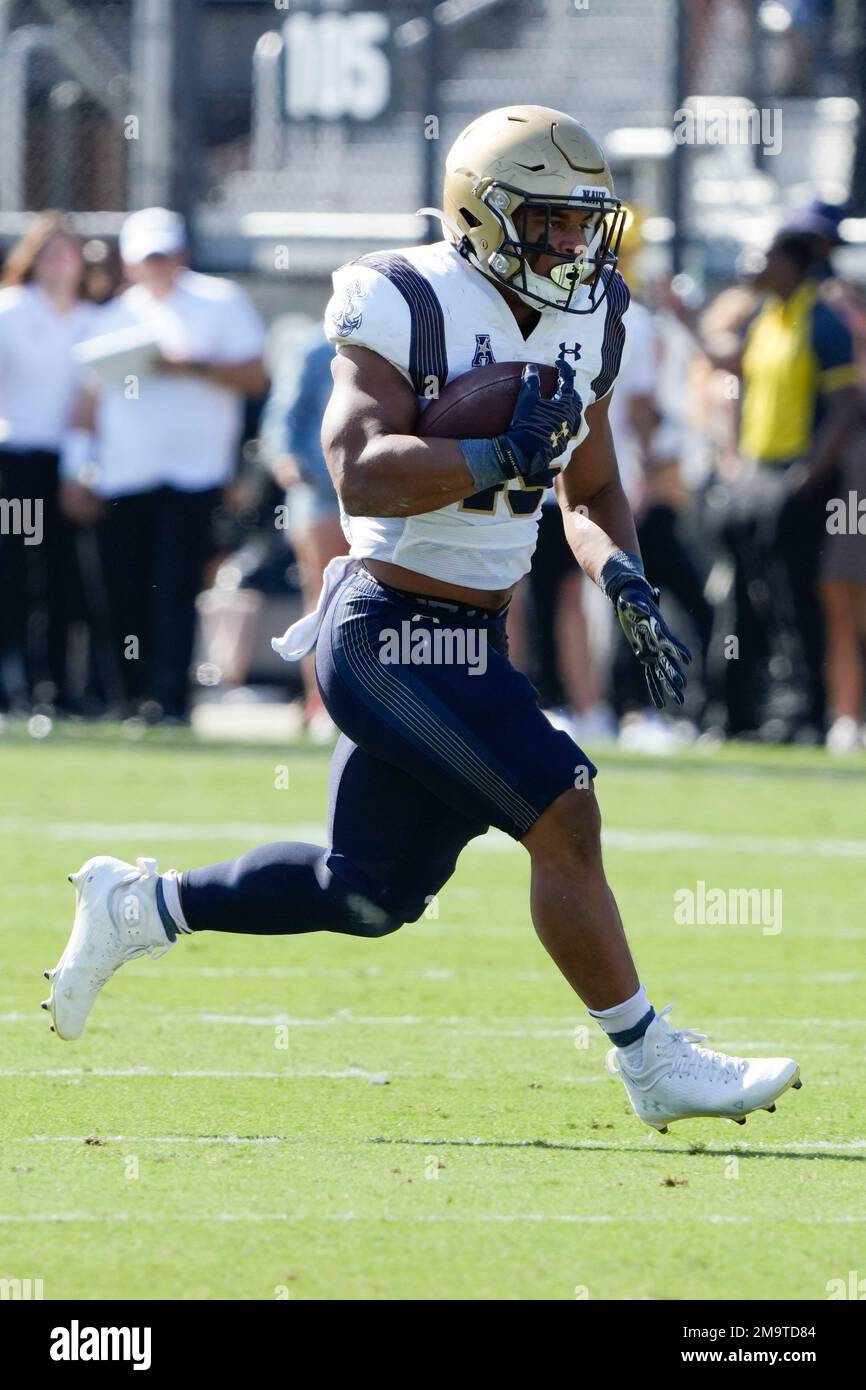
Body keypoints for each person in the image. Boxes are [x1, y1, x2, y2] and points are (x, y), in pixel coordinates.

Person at [44, 108, 801, 1134]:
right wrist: (493, 458)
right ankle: (648, 1056)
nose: (570, 246)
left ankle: (140, 908)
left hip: (470, 633)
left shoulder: (594, 311)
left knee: (365, 893)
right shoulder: (403, 296)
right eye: (545, 222)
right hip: (388, 626)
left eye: (584, 225)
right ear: (481, 214)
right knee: (562, 808)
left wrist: (619, 574)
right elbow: (355, 463)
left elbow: (589, 485)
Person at [60, 208, 269, 721]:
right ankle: (127, 699)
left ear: (181, 255)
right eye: (146, 258)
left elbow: (255, 377)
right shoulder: (108, 317)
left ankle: (171, 702)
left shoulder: (221, 302)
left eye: (164, 254)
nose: (156, 266)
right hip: (124, 476)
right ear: (129, 264)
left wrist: (189, 366)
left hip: (195, 476)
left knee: (175, 592)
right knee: (122, 590)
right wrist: (76, 471)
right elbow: (85, 409)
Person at [0, 213, 96, 712]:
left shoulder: (95, 319)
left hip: (72, 469)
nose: (60, 262)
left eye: (68, 252)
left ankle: (58, 689)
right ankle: (11, 687)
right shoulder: (10, 311)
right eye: (49, 252)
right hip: (16, 464)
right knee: (14, 574)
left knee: (64, 580)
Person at [260, 326, 347, 741]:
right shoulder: (313, 347)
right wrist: (289, 463)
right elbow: (282, 418)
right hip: (321, 495)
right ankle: (323, 704)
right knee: (325, 601)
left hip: (379, 497)